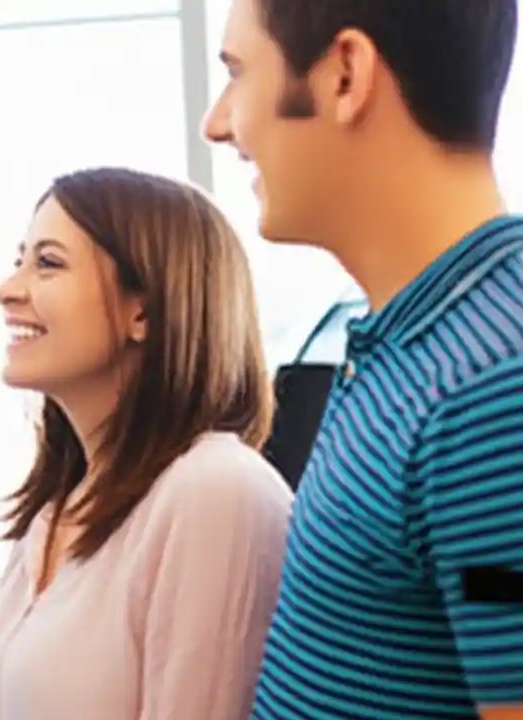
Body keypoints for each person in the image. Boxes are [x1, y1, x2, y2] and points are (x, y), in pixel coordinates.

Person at [204, 0, 523, 718]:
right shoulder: (416, 338)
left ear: (345, 75)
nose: (217, 123)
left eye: (238, 74)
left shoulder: (493, 393)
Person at [0, 167, 293, 719]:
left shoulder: (216, 490)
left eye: (47, 263)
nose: (5, 289)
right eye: (20, 260)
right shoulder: (62, 502)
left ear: (143, 308)